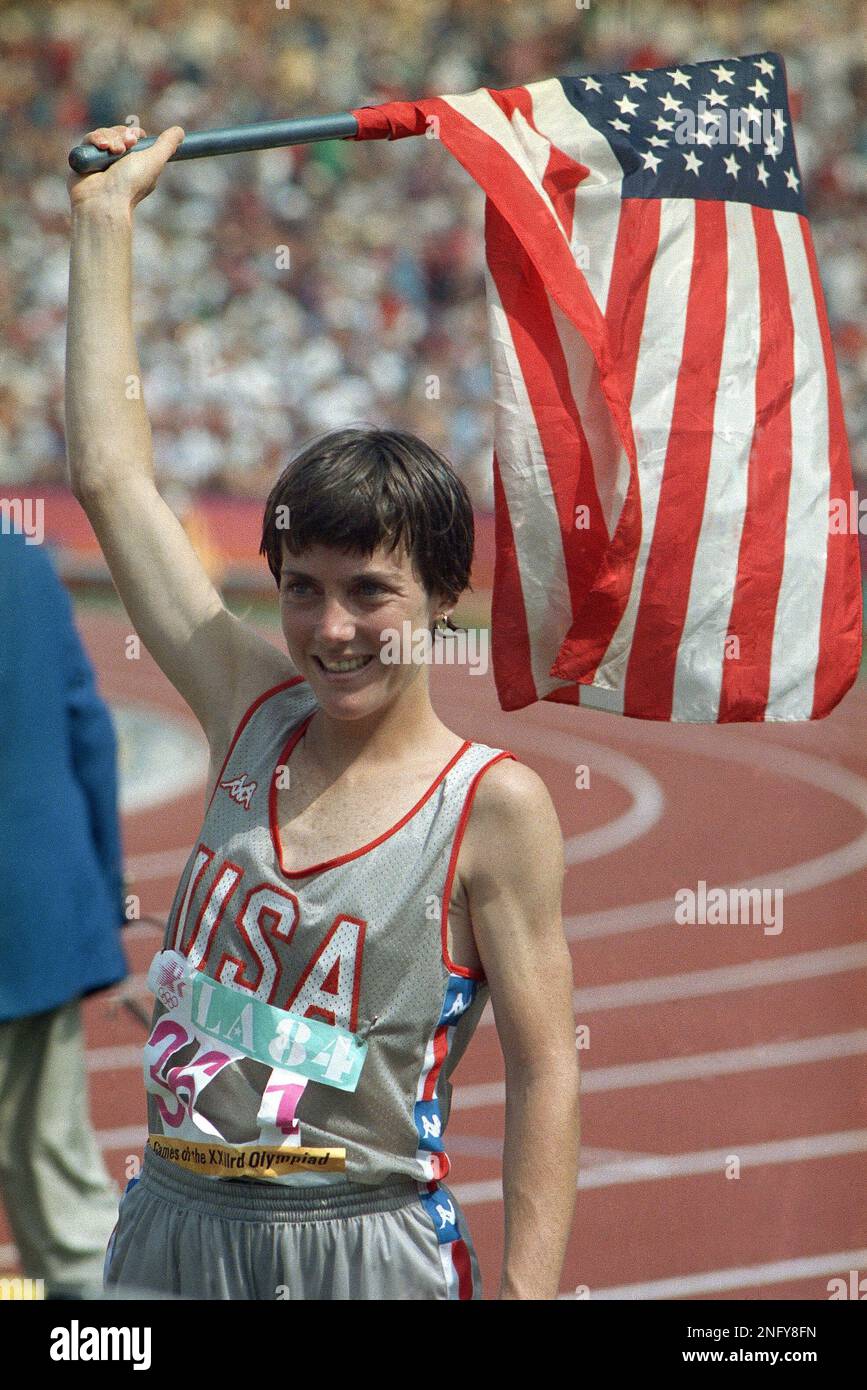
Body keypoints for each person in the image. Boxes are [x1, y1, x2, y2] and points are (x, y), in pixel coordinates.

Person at [66, 124, 580, 1300]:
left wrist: (530, 1294)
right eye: (302, 590)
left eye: (370, 593)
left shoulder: (492, 807)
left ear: (445, 598)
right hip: (170, 1228)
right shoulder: (250, 705)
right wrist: (104, 225)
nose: (331, 628)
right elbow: (109, 474)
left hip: (362, 1247)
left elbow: (548, 1069)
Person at [0, 526, 129, 1290]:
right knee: (60, 1182)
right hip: (37, 918)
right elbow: (90, 730)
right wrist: (100, 893)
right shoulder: (21, 558)